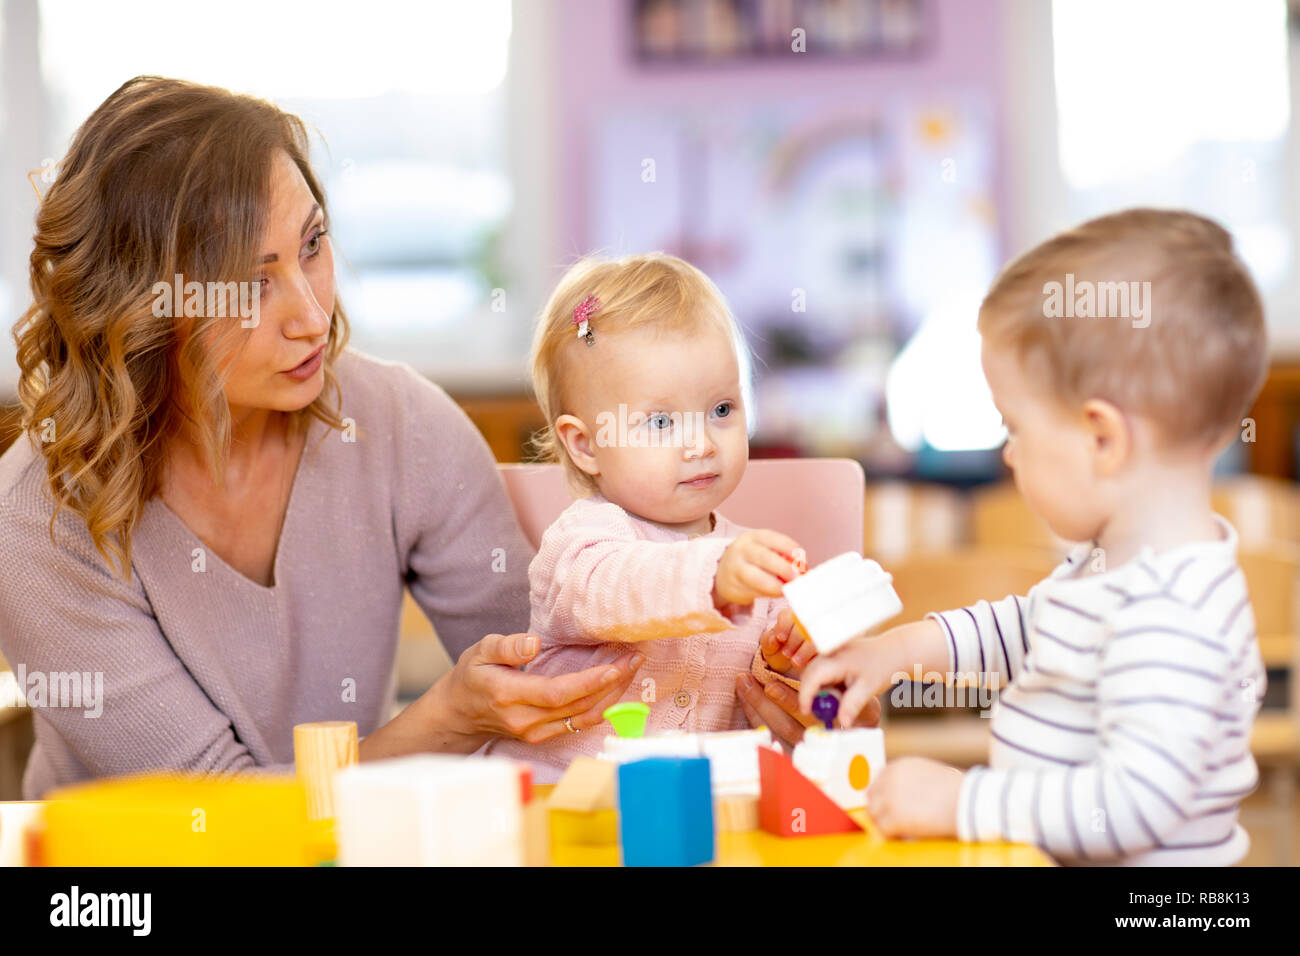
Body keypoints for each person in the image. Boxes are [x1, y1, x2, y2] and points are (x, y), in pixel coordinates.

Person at [0, 76, 646, 798]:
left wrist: (759, 678)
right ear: (141, 310)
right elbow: (212, 813)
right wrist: (447, 722)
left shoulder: (400, 424)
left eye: (311, 244)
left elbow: (558, 678)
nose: (310, 316)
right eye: (250, 284)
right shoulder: (38, 522)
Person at [800, 209, 1269, 865]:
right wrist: (897, 652)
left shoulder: (1172, 610)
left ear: (1102, 439)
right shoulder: (1113, 571)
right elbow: (1024, 631)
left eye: (1013, 426)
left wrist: (961, 804)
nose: (1009, 455)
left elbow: (1132, 805)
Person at [488, 252, 825, 781]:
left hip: (699, 817)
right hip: (563, 811)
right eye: (662, 421)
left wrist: (790, 656)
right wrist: (716, 575)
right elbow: (617, 589)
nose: (700, 444)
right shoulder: (582, 545)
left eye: (720, 410)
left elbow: (763, 706)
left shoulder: (748, 561)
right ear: (586, 446)